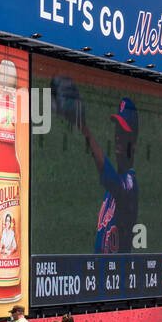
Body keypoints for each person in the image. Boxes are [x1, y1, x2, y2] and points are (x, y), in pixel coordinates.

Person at [52, 77, 140, 254]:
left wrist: (84, 129)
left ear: (134, 143)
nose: (118, 137)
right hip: (102, 275)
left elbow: (111, 179)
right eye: (117, 131)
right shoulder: (113, 188)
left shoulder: (130, 184)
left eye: (124, 133)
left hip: (119, 276)